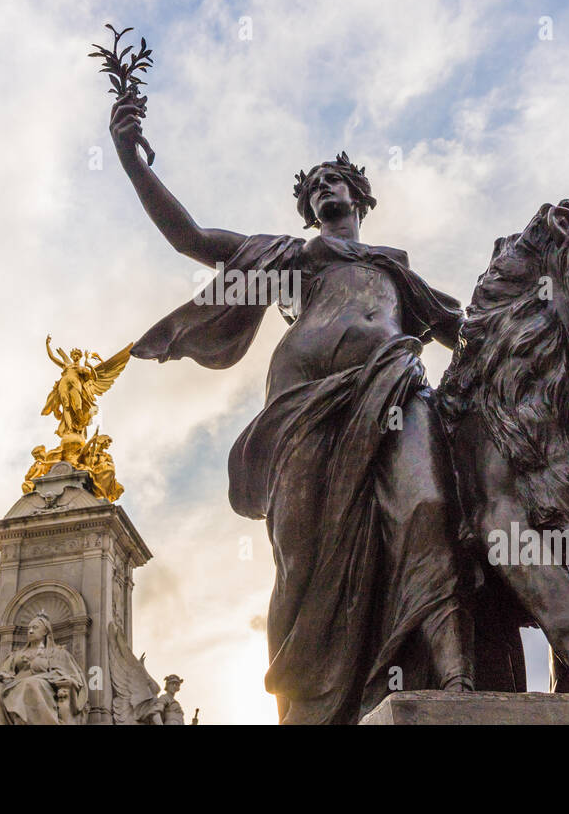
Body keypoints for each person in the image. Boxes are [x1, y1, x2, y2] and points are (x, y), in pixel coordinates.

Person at [110, 96, 475, 724]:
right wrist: (132, 159)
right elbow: (191, 238)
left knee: (430, 507)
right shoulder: (295, 259)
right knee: (299, 559)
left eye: (334, 181)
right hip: (304, 408)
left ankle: (455, 677)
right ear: (306, 211)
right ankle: (297, 710)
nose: (323, 191)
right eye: (312, 191)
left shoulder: (397, 268)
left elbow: (468, 330)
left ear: (359, 196)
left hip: (393, 387)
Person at [0, 614, 87, 725]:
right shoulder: (17, 654)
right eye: (29, 628)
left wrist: (41, 670)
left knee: (30, 684)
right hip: (12, 684)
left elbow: (69, 675)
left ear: (45, 631)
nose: (30, 631)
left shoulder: (57, 652)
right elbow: (2, 671)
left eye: (35, 628)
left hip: (40, 683)